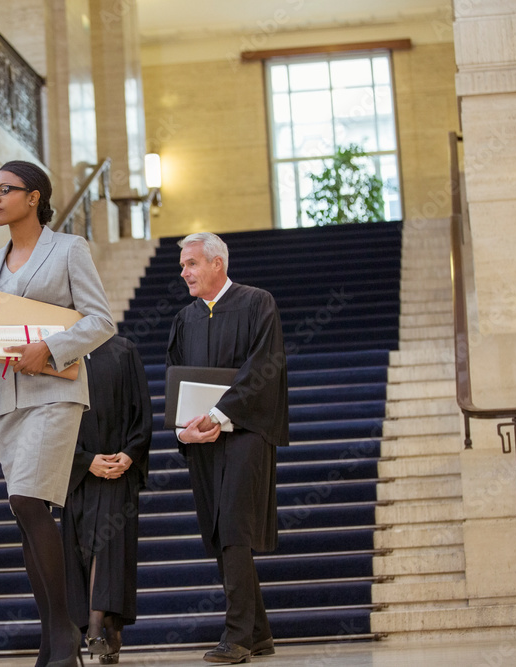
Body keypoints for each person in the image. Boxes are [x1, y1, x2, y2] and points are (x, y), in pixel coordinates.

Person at [0, 160, 115, 667]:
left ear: (33, 197)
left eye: (3, 190)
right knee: (23, 510)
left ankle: (62, 629)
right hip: (9, 397)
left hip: (55, 393)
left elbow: (101, 320)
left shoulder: (70, 248)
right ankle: (53, 637)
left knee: (32, 502)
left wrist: (51, 349)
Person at [166, 232, 289, 665]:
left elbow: (264, 369)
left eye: (192, 264)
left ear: (217, 263)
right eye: (183, 265)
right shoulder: (185, 319)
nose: (184, 272)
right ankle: (259, 633)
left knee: (235, 527)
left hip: (245, 431)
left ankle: (236, 636)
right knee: (219, 532)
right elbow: (175, 378)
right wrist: (184, 430)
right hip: (201, 439)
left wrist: (217, 416)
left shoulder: (258, 303)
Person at [61, 335, 152, 665]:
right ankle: (107, 633)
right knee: (84, 553)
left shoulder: (122, 350)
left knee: (108, 545)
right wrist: (85, 461)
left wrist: (129, 455)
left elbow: (141, 409)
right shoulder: (56, 354)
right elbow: (51, 423)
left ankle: (97, 625)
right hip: (80, 476)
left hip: (118, 470)